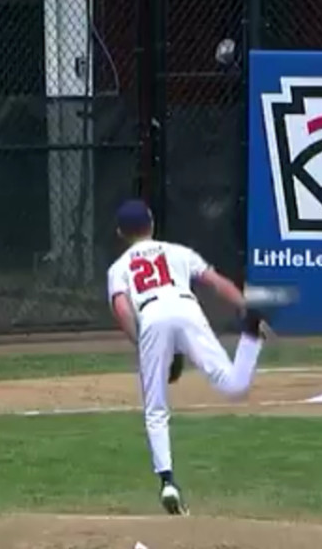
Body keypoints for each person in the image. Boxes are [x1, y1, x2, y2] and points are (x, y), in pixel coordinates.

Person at [106, 199, 269, 516]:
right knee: (233, 384)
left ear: (120, 233)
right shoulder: (177, 252)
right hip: (186, 308)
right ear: (151, 222)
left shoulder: (119, 267)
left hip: (152, 314)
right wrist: (245, 308)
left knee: (155, 407)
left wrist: (142, 344)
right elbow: (216, 282)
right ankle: (250, 337)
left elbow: (123, 308)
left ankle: (167, 481)